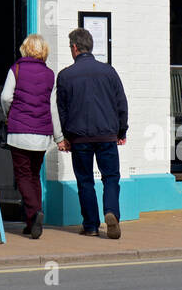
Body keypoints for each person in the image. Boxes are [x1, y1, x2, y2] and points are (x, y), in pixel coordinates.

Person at [55, 27, 128, 239]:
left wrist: (66, 137)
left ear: (75, 48)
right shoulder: (109, 71)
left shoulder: (66, 75)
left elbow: (62, 110)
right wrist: (121, 130)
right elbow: (121, 104)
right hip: (107, 135)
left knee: (85, 180)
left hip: (79, 138)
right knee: (111, 177)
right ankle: (111, 211)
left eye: (70, 47)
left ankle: (91, 225)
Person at [0, 33, 63, 240]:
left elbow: (6, 97)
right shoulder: (50, 74)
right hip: (42, 134)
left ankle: (35, 212)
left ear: (25, 49)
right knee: (34, 175)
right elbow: (53, 108)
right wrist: (59, 136)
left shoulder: (16, 69)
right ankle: (31, 221)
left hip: (18, 133)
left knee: (23, 176)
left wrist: (9, 115)